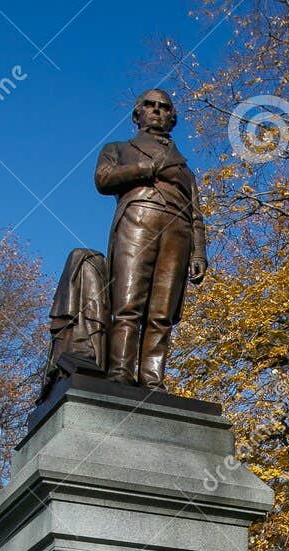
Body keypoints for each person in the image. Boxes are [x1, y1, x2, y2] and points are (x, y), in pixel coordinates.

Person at [94, 88, 207, 388]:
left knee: (162, 312)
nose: (157, 110)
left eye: (164, 107)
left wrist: (199, 252)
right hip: (137, 222)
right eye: (150, 105)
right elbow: (103, 179)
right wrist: (148, 168)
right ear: (137, 114)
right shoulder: (118, 148)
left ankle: (152, 381)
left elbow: (196, 214)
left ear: (172, 117)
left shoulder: (185, 171)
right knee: (128, 302)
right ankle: (120, 373)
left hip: (178, 232)